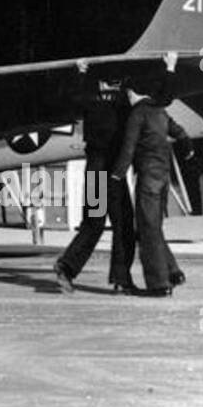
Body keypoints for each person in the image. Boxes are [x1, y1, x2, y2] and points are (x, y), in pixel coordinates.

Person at [54, 81, 137, 294]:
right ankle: (121, 279)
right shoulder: (123, 100)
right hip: (113, 172)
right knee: (123, 224)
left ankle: (66, 267)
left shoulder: (88, 96)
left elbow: (73, 101)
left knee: (93, 223)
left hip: (94, 169)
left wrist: (80, 75)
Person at [111, 77, 191, 296]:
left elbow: (128, 148)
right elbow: (180, 132)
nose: (127, 98)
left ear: (133, 93)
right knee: (154, 226)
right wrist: (188, 149)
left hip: (147, 177)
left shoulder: (138, 113)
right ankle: (173, 272)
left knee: (147, 230)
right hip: (164, 176)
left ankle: (158, 284)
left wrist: (116, 175)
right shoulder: (160, 112)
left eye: (128, 94)